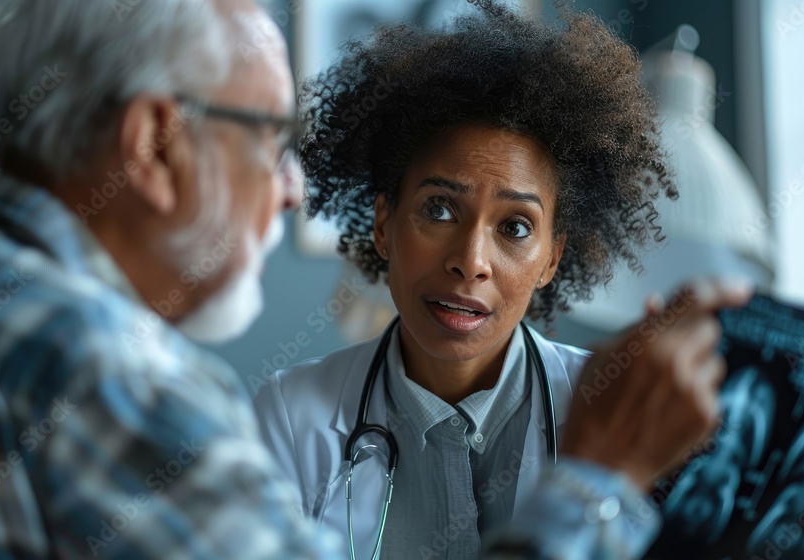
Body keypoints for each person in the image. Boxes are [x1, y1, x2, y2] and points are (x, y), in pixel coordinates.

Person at [0, 1, 745, 559]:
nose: (294, 187)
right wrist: (602, 484)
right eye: (269, 138)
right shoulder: (107, 371)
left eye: (517, 226)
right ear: (154, 144)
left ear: (557, 251)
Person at [253, 3, 752, 559]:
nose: (471, 261)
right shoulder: (292, 416)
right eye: (439, 209)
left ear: (552, 259)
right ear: (383, 224)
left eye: (515, 226)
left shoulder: (620, 414)